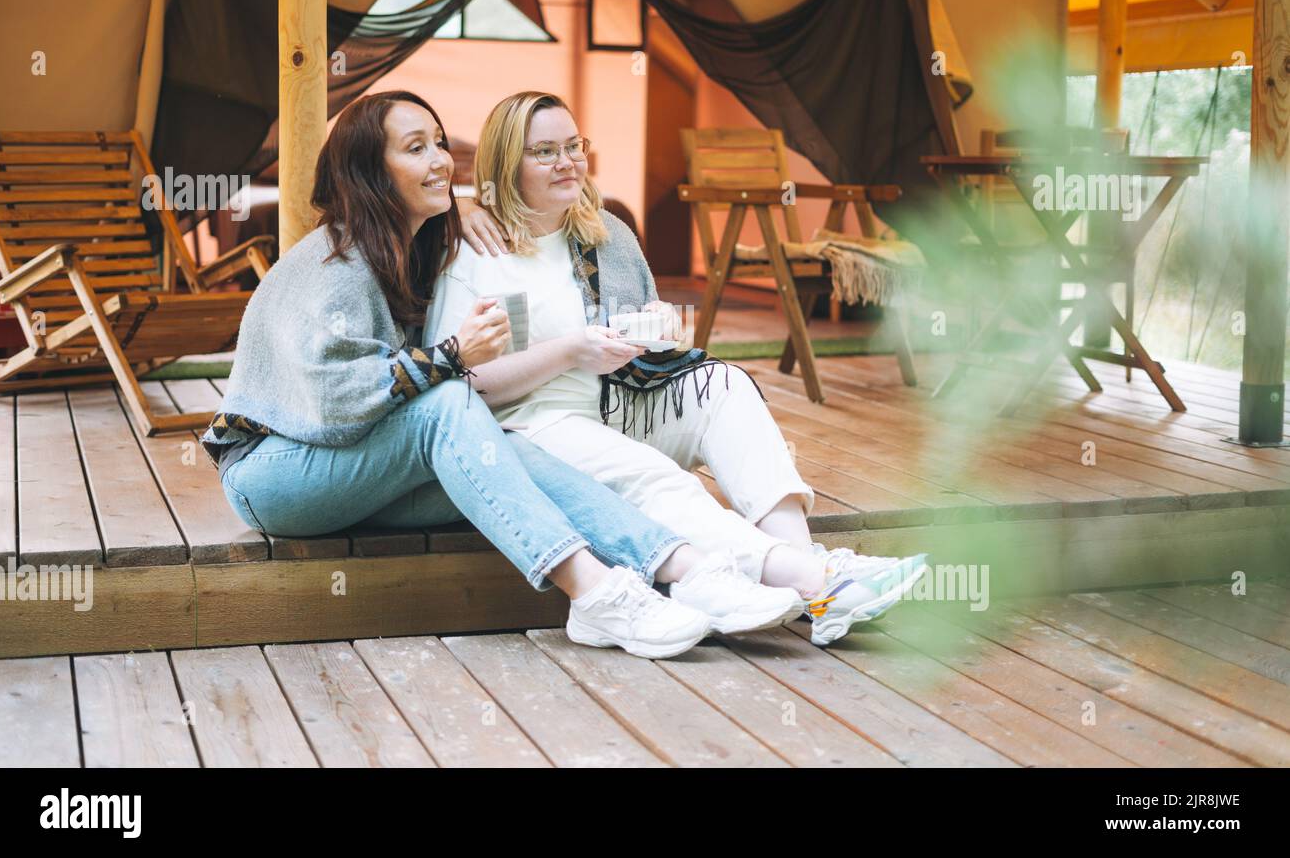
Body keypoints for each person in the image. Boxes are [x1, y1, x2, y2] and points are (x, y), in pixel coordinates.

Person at [199, 89, 807, 660]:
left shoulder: (419, 243)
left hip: (367, 466)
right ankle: (594, 593)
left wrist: (465, 209)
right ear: (368, 172)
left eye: (439, 143)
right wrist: (453, 355)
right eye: (416, 149)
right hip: (278, 471)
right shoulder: (334, 259)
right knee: (452, 404)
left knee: (513, 446)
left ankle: (688, 569)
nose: (440, 160)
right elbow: (333, 406)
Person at [427, 90, 928, 646]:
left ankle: (814, 575)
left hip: (616, 398)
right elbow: (458, 387)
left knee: (727, 386)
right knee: (656, 476)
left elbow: (638, 328)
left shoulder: (606, 234)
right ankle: (817, 580)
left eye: (574, 146)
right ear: (506, 164)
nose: (567, 161)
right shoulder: (471, 253)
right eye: (544, 151)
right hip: (535, 426)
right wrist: (571, 351)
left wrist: (654, 323)